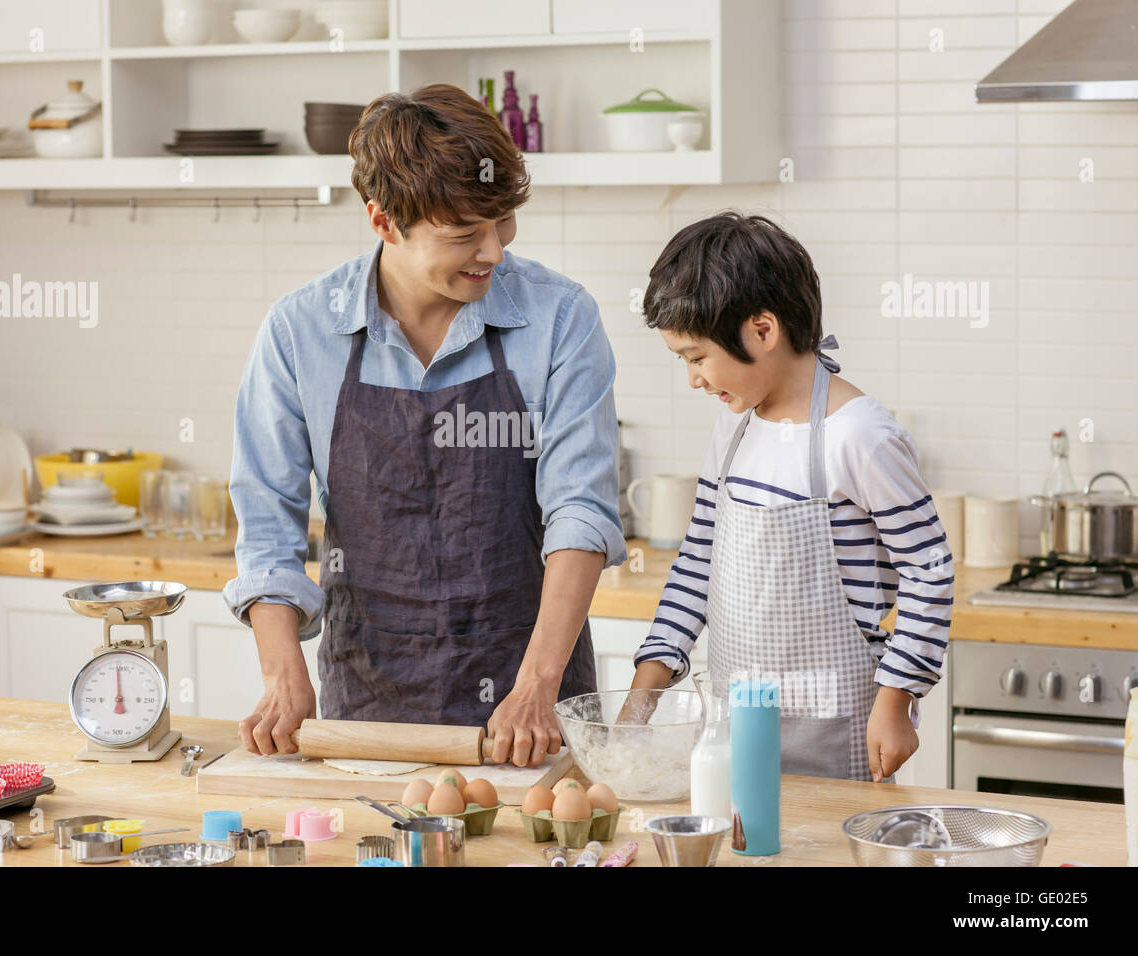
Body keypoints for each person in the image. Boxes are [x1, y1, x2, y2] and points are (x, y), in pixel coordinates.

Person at [224, 84, 625, 767]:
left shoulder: (560, 318)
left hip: (531, 713)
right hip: (370, 710)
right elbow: (267, 520)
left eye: (504, 223)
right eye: (465, 232)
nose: (493, 251)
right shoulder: (300, 332)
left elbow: (582, 510)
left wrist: (535, 687)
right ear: (384, 223)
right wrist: (282, 671)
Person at [629, 212, 953, 783]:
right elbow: (697, 563)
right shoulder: (734, 429)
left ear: (762, 330)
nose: (693, 380)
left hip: (838, 737)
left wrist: (896, 700)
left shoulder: (860, 435)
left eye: (696, 356)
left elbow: (929, 571)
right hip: (734, 740)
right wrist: (643, 695)